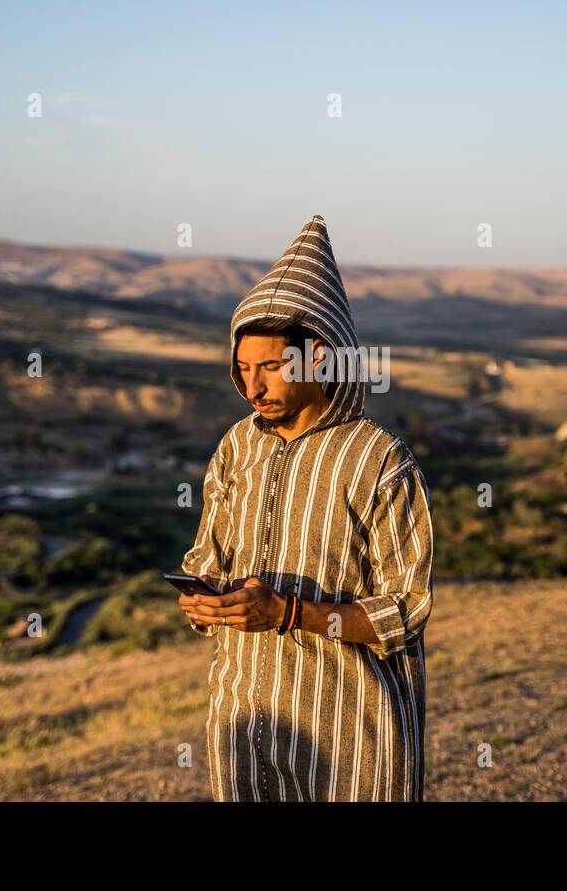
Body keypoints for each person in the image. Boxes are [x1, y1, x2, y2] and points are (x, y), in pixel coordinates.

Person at [176, 214, 433, 801]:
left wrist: (290, 613)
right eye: (242, 370)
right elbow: (207, 561)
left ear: (319, 359)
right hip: (240, 730)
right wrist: (201, 601)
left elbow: (407, 612)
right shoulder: (235, 446)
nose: (252, 388)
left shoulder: (380, 461)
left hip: (351, 743)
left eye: (268, 368)